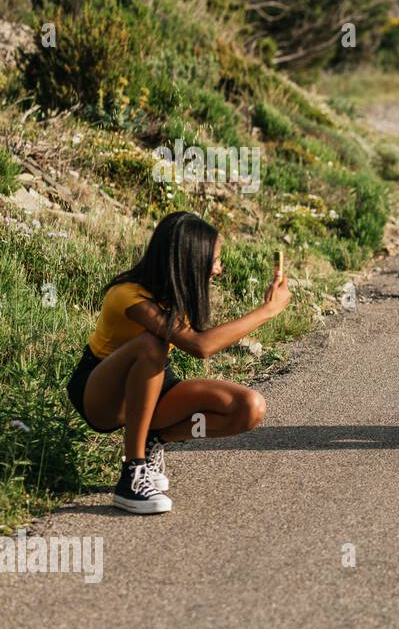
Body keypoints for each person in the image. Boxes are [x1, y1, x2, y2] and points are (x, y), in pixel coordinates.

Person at [65, 211, 290, 514]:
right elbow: (201, 347)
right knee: (151, 345)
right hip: (103, 395)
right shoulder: (128, 296)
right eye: (214, 261)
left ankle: (156, 436)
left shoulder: (177, 295)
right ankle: (132, 474)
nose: (219, 270)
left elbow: (201, 343)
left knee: (248, 408)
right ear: (189, 260)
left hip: (153, 387)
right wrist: (268, 311)